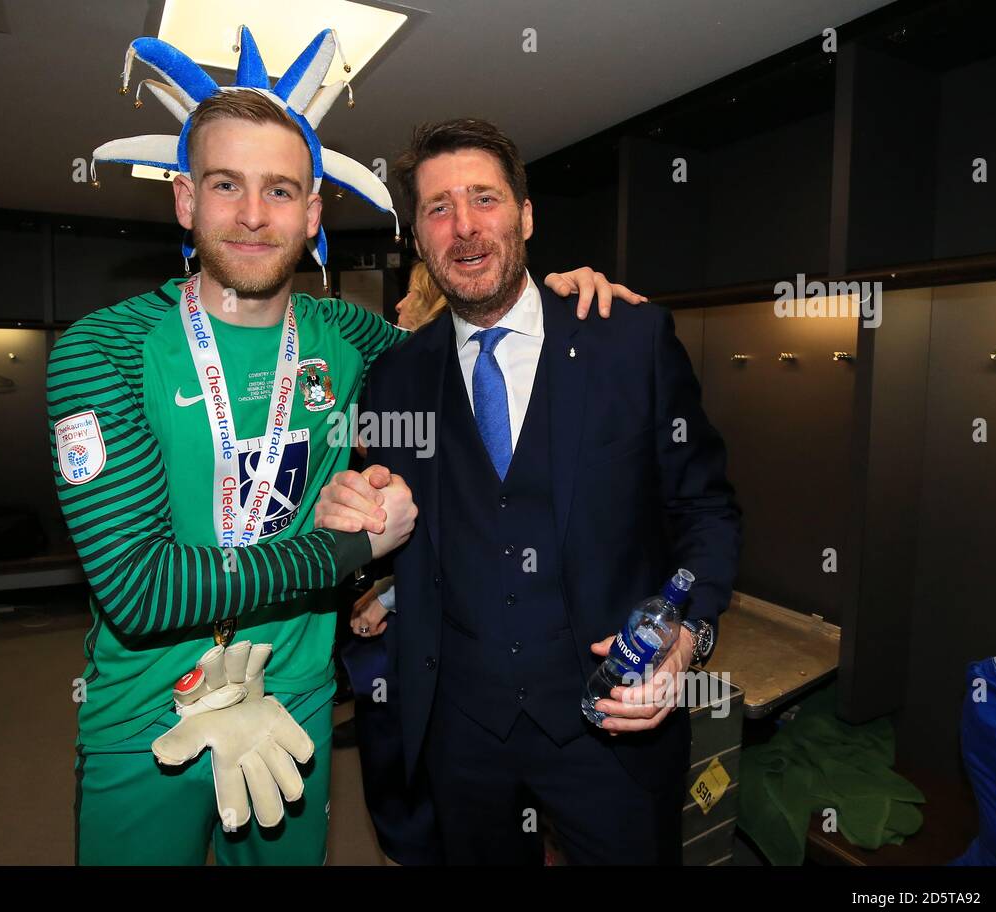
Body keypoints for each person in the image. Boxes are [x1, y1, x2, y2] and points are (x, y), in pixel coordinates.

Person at [53, 28, 644, 865]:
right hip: (144, 718)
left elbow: (468, 353)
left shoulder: (351, 338)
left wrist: (546, 294)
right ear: (185, 200)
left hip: (292, 704)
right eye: (227, 186)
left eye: (281, 190)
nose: (255, 215)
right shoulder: (103, 350)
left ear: (314, 210)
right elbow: (142, 589)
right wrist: (349, 551)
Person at [315, 118, 742, 865]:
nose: (466, 226)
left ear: (526, 215)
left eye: (485, 198)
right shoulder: (397, 377)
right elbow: (399, 526)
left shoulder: (627, 342)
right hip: (460, 731)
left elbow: (706, 509)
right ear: (418, 238)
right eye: (439, 208)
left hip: (612, 721)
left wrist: (689, 637)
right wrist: (361, 553)